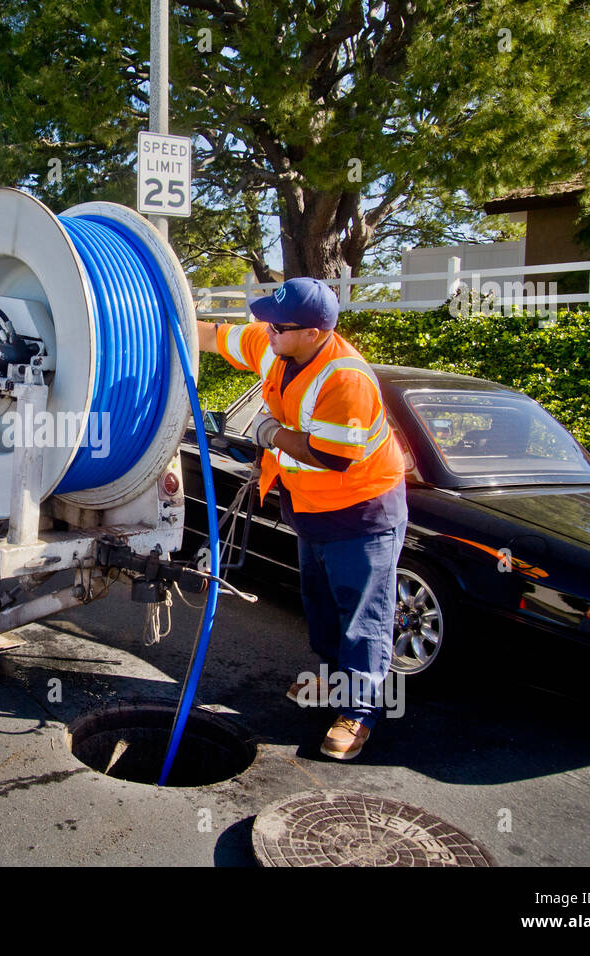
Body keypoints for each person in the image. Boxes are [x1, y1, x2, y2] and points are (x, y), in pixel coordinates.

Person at [195, 277, 407, 759]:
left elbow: (333, 456)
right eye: (266, 318)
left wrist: (269, 432)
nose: (265, 328)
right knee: (320, 605)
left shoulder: (344, 379)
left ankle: (358, 713)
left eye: (279, 324)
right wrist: (161, 314)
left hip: (361, 512)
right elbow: (210, 336)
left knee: (362, 615)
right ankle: (335, 683)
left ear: (313, 334)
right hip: (310, 508)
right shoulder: (273, 342)